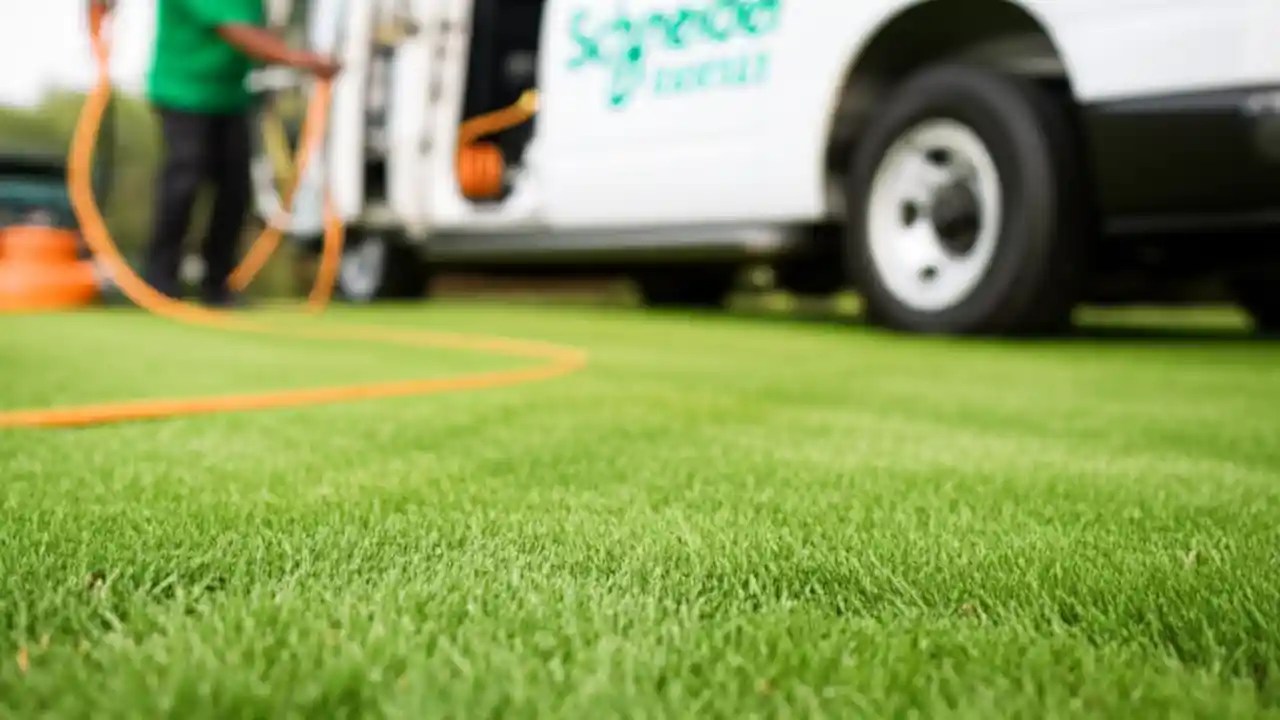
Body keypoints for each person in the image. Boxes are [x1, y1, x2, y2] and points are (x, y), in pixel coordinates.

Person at [123, 0, 341, 306]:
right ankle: (159, 281)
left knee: (235, 190)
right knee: (185, 179)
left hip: (231, 95)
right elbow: (236, 30)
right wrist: (301, 60)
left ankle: (218, 285)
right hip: (184, 91)